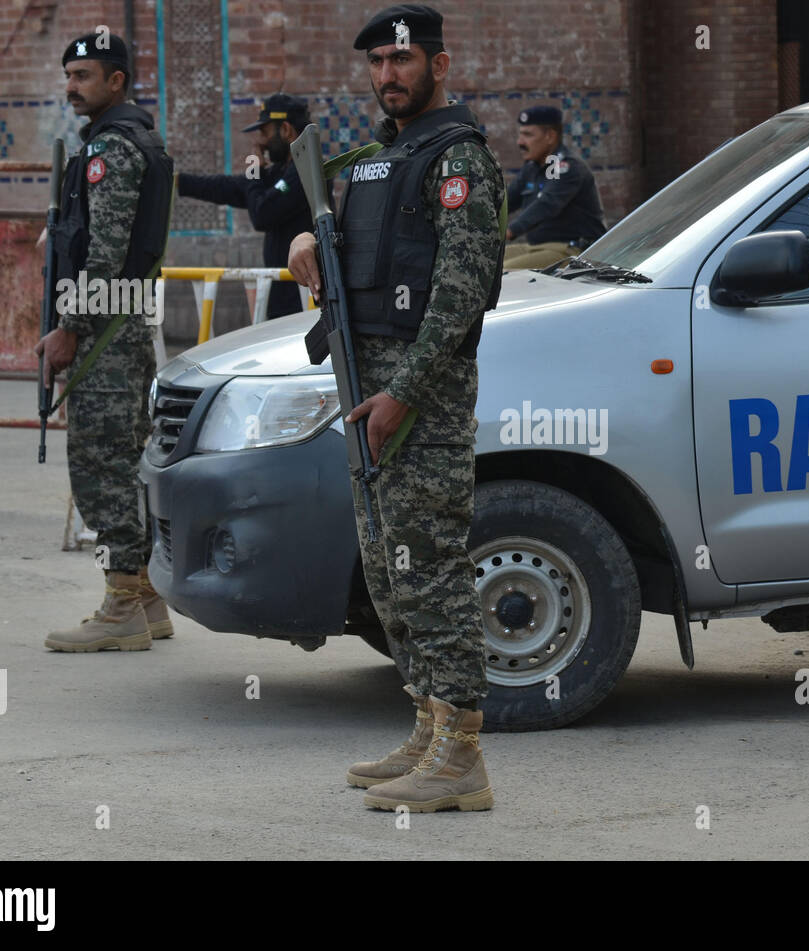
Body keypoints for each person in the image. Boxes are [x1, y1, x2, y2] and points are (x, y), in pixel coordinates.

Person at [289, 3, 503, 812]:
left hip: (419, 400)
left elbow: (460, 288)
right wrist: (309, 243)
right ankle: (429, 722)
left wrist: (404, 394)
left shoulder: (457, 160)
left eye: (403, 61)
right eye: (378, 63)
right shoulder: (378, 158)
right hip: (366, 391)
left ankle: (463, 756)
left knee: (432, 565)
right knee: (388, 567)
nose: (388, 76)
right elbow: (368, 262)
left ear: (438, 66)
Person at [36, 33, 175, 652]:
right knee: (120, 461)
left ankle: (121, 603)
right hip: (118, 328)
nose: (72, 85)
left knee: (100, 469)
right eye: (69, 74)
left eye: (84, 75)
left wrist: (69, 328)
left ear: (116, 80)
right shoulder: (123, 140)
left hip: (105, 335)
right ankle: (145, 599)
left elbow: (106, 254)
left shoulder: (111, 149)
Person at [177, 93, 320, 319]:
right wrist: (179, 182)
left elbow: (262, 213)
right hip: (284, 295)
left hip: (303, 300)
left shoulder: (306, 170)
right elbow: (236, 187)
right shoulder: (281, 171)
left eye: (264, 132)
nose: (259, 142)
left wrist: (255, 164)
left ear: (285, 129)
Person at [503, 104, 606, 269]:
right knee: (484, 263)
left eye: (528, 135)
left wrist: (510, 231)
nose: (520, 142)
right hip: (536, 247)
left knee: (503, 273)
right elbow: (505, 202)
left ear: (550, 136)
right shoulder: (532, 167)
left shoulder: (563, 166)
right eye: (520, 135)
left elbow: (547, 203)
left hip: (571, 249)